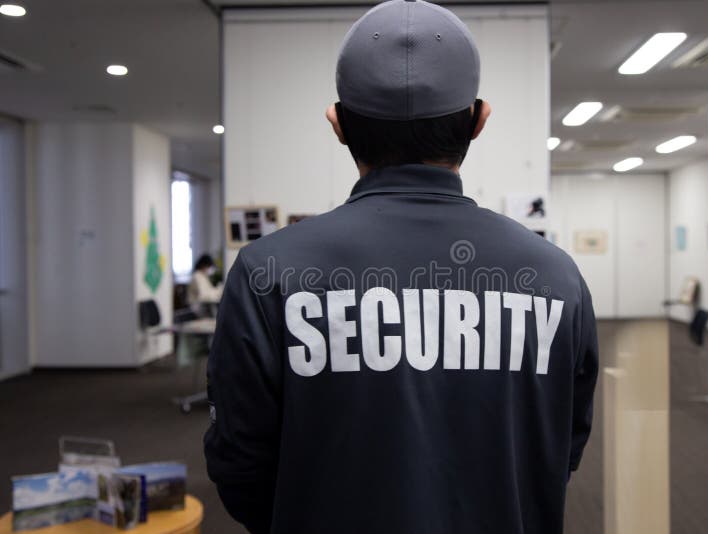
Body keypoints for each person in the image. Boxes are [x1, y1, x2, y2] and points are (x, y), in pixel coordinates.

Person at [204, 1, 598, 533]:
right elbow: (561, 449)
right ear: (479, 121)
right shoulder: (555, 277)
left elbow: (241, 467)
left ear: (338, 124)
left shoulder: (266, 272)